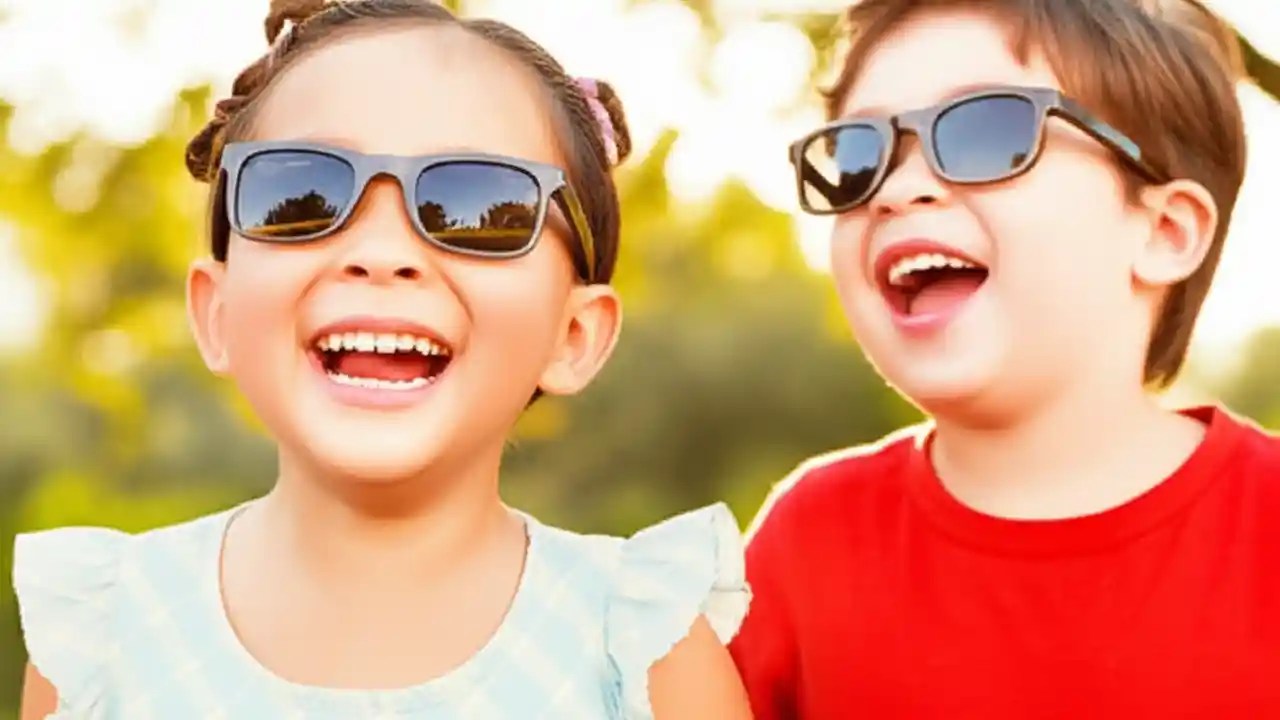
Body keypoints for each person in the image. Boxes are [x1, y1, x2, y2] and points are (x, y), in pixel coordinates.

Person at [14, 1, 751, 717]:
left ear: (575, 335)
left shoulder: (643, 651)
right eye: (302, 194)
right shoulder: (100, 638)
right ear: (218, 311)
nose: (381, 252)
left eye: (476, 206)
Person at [729, 0, 1280, 717]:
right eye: (859, 155)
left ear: (1165, 232)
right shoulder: (807, 547)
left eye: (986, 131)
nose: (896, 190)